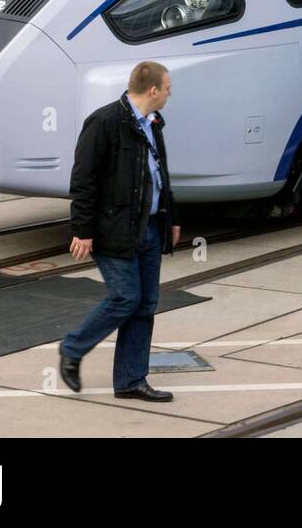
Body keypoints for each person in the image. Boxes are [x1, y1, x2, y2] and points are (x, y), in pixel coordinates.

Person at [59, 61, 181, 401]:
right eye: (168, 88)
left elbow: (161, 174)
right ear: (153, 90)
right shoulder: (105, 122)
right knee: (126, 298)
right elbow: (83, 181)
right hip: (114, 229)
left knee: (145, 305)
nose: (170, 94)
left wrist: (171, 217)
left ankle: (131, 380)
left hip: (151, 228)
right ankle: (72, 347)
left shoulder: (153, 124)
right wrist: (82, 229)